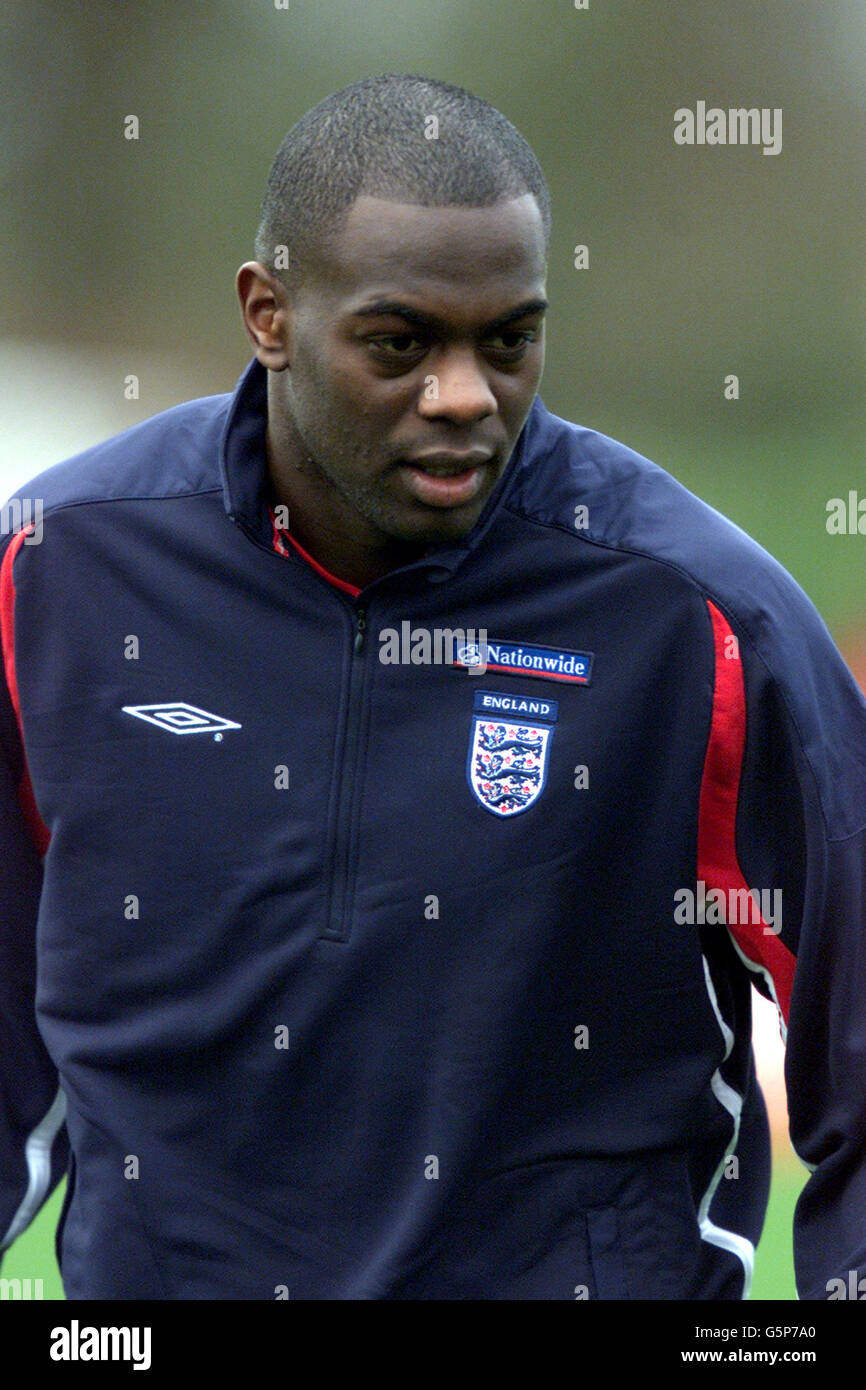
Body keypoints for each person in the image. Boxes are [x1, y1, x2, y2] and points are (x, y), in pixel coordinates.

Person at [1, 72, 864, 1302]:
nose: (463, 395)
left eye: (506, 340)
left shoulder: (701, 618)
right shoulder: (57, 570)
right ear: (269, 313)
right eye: (401, 342)